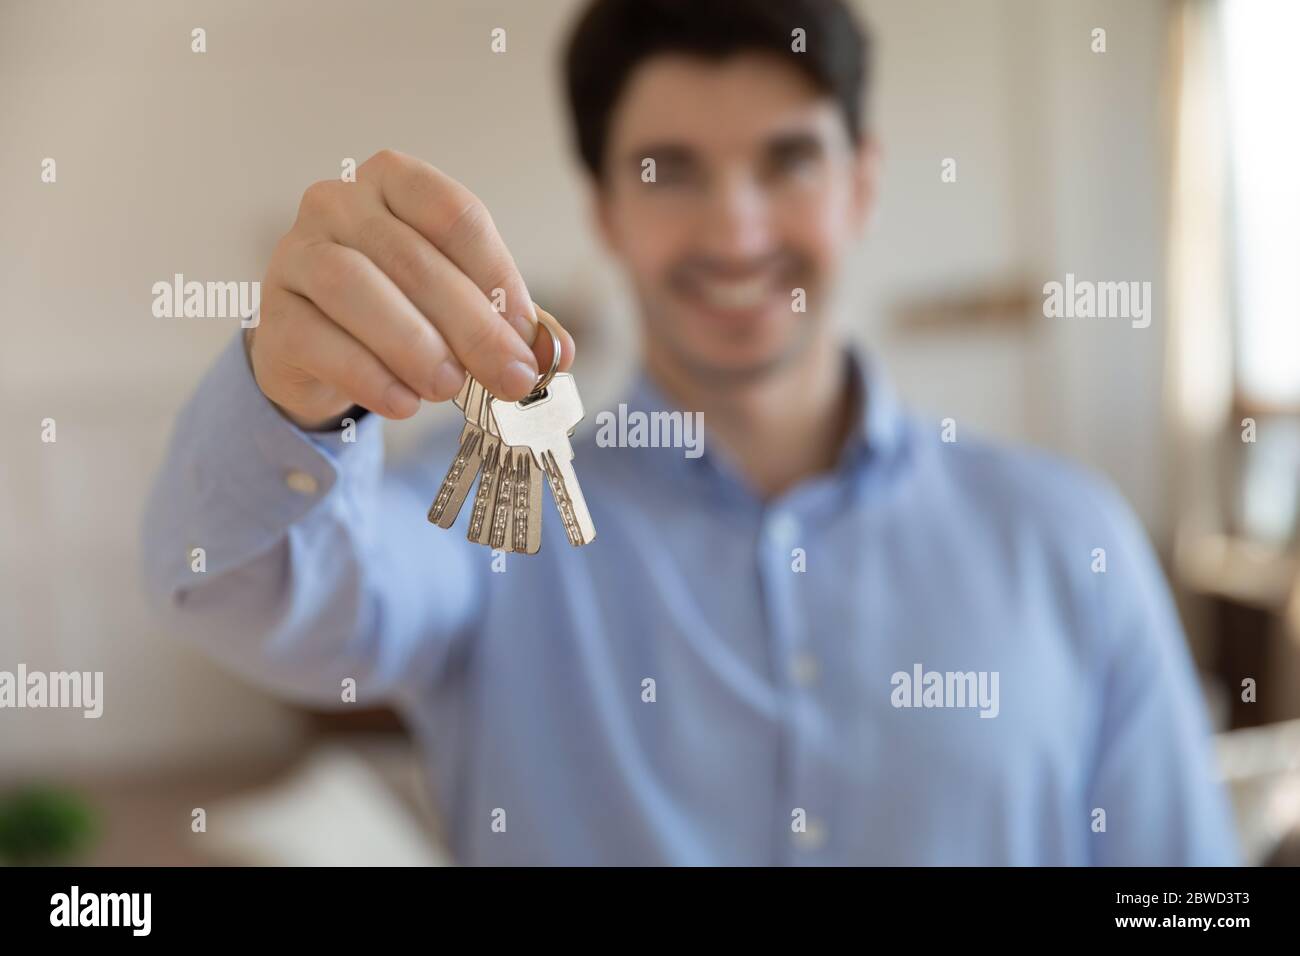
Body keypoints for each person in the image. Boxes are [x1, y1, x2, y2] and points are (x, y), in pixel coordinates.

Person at [141, 0, 1239, 865]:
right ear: (606, 209)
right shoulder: (481, 523)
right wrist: (289, 396)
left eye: (787, 160)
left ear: (860, 182)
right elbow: (229, 586)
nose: (735, 228)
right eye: (670, 170)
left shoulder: (1069, 539)